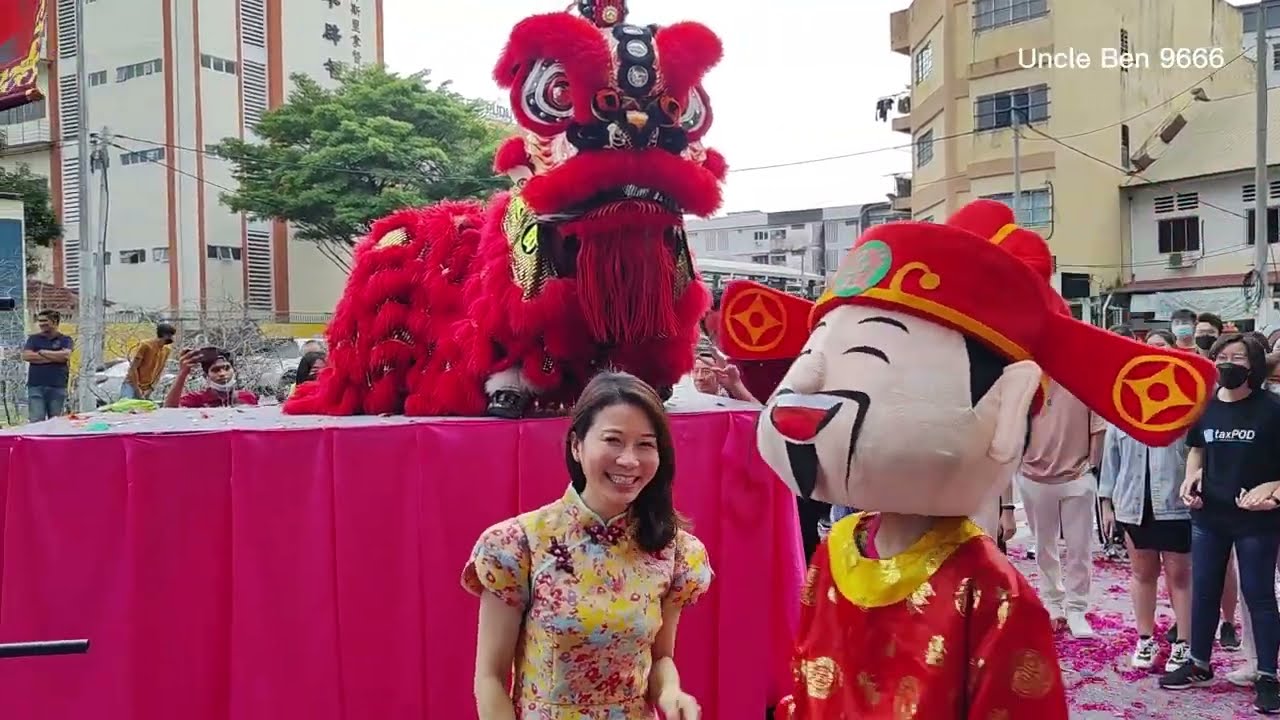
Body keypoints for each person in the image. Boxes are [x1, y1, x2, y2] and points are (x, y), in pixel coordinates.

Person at [465, 372, 712, 720]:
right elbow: (489, 677)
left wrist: (671, 692)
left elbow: (661, 658)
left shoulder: (672, 551)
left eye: (645, 444)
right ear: (577, 446)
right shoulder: (517, 545)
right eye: (613, 440)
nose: (629, 460)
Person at [1160, 333, 1280, 713]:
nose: (1228, 363)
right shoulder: (1205, 407)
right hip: (1208, 515)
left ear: (1255, 365)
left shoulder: (1273, 409)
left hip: (1257, 520)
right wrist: (1190, 479)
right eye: (1221, 356)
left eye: (1238, 357)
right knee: (1205, 591)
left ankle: (1267, 675)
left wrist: (1273, 487)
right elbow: (1197, 450)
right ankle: (1198, 663)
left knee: (1259, 595)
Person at [1099, 328, 1193, 671]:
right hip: (1133, 503)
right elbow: (1111, 460)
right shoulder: (1125, 400)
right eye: (1148, 347)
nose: (1154, 351)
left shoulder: (1188, 401)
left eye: (1161, 346)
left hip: (1176, 503)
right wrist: (1107, 503)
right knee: (1142, 573)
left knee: (1180, 575)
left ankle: (1184, 641)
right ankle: (1145, 638)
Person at [1017, 378, 1106, 639]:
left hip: (1077, 475)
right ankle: (1053, 602)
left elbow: (1098, 427)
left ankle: (1077, 608)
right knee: (1044, 546)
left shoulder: (1083, 380)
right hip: (1033, 475)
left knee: (1079, 548)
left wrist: (1091, 465)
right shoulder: (1026, 378)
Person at [22, 310, 74, 421]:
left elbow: (65, 356)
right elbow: (27, 356)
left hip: (57, 386)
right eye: (39, 321)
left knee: (56, 421)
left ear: (55, 321)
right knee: (36, 420)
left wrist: (42, 352)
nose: (41, 324)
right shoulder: (33, 339)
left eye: (44, 320)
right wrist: (54, 357)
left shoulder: (65, 339)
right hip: (36, 386)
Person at [163, 348, 259, 408]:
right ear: (206, 376)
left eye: (226, 368)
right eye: (215, 370)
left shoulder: (248, 397)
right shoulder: (196, 399)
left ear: (234, 371)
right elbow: (169, 411)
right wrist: (182, 374)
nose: (222, 373)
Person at [123, 323, 176, 400]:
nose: (172, 338)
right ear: (164, 334)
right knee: (124, 408)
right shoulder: (146, 345)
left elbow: (159, 371)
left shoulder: (166, 350)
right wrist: (137, 389)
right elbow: (133, 368)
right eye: (170, 335)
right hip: (131, 385)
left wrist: (151, 388)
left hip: (147, 388)